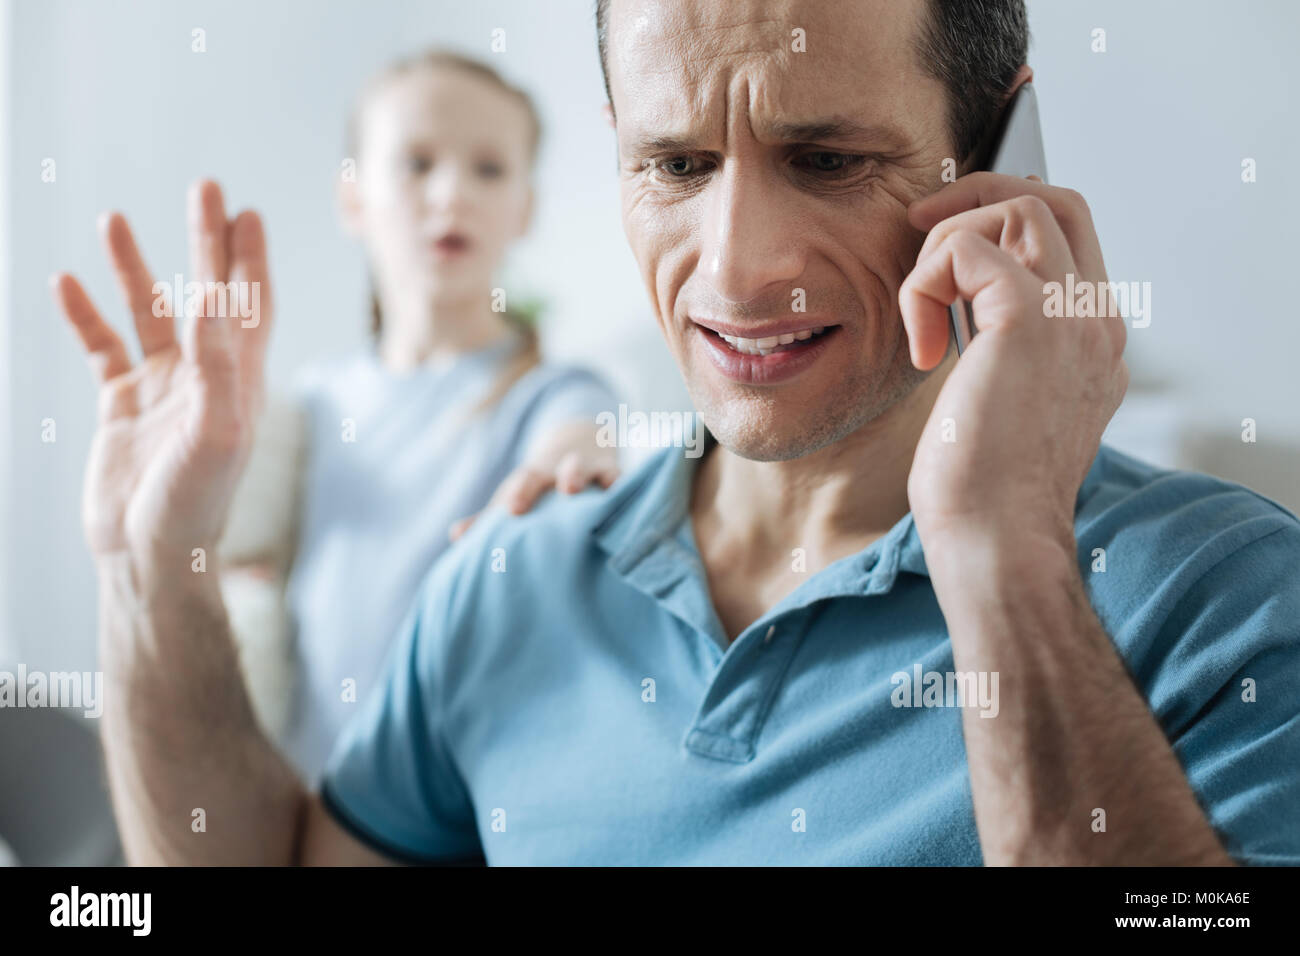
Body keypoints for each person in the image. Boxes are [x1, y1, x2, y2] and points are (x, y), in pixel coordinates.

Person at [61, 0, 1300, 865]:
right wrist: (143, 567)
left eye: (825, 157)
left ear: (999, 151)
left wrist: (1002, 555)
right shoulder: (511, 578)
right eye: (674, 162)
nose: (736, 267)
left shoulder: (1229, 599)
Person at [54, 52, 619, 786]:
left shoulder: (554, 390)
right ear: (352, 202)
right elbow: (240, 558)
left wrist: (576, 466)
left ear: (525, 209)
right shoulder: (314, 401)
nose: (451, 192)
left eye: (488, 169)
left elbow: (582, 439)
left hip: (461, 799)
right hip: (311, 789)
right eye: (417, 163)